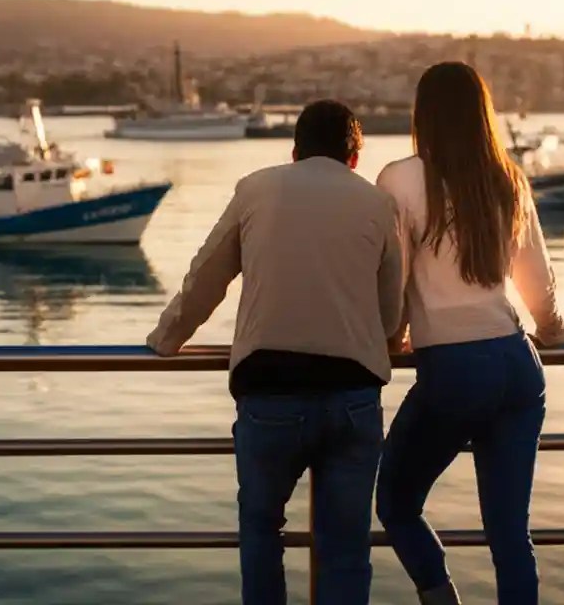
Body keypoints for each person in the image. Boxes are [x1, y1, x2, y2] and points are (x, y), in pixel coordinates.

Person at [146, 99, 405, 605]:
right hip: (352, 398)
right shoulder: (377, 204)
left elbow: (206, 277)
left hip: (270, 394)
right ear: (354, 158)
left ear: (294, 152)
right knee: (346, 547)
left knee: (262, 529)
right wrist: (386, 340)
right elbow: (391, 312)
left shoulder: (255, 189)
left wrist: (168, 338)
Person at [374, 62, 564, 605]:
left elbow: (392, 277)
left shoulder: (399, 179)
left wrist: (393, 336)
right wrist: (552, 333)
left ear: (423, 114)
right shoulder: (508, 178)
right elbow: (538, 284)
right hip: (517, 364)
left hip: (455, 370)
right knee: (510, 536)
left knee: (397, 504)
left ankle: (441, 597)